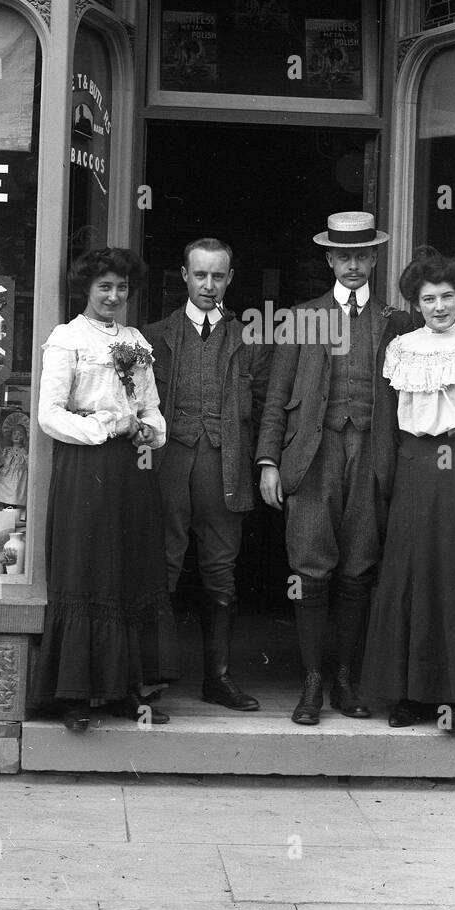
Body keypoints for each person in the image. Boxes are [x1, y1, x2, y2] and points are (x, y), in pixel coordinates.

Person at [256, 211, 412, 725]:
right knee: (310, 568)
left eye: (362, 255)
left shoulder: (397, 322)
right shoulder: (302, 317)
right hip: (312, 457)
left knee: (358, 569)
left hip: (371, 454)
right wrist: (268, 462)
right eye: (343, 255)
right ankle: (312, 682)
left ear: (374, 258)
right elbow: (276, 397)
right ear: (329, 258)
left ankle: (346, 679)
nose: (353, 264)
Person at [359, 247, 455, 736]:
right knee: (412, 574)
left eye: (447, 296)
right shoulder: (402, 348)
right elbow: (391, 419)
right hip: (416, 466)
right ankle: (410, 693)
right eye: (429, 298)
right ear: (416, 302)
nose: (439, 306)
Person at [30, 246, 179, 732]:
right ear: (87, 289)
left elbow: (151, 406)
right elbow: (49, 414)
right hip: (86, 465)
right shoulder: (67, 338)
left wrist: (148, 430)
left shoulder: (135, 340)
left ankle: (124, 691)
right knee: (87, 568)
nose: (114, 296)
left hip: (133, 471)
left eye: (121, 288)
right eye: (104, 288)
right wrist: (102, 428)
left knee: (129, 569)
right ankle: (75, 696)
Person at [144, 238, 270, 711]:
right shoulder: (154, 335)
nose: (209, 285)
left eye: (218, 276)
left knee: (221, 572)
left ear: (230, 278)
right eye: (200, 275)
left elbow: (263, 407)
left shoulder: (249, 338)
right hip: (169, 462)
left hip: (226, 464)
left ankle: (218, 678)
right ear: (184, 275)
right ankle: (153, 678)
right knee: (164, 565)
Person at [0, 414, 29, 508]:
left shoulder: (24, 452)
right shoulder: (6, 450)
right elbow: (1, 462)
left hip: (19, 479)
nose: (16, 436)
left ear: (24, 437)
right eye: (14, 433)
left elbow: (28, 464)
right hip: (6, 477)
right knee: (4, 501)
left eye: (19, 434)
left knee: (16, 499)